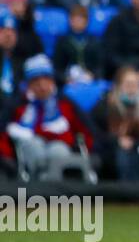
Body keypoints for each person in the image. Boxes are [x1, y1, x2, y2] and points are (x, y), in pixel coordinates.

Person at [1, 54, 96, 182]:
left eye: (46, 79)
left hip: (60, 147)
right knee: (34, 146)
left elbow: (87, 131)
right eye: (36, 81)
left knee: (58, 150)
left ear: (52, 81)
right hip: (29, 150)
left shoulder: (65, 103)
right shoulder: (18, 105)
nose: (42, 85)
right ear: (29, 84)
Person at [89, 66, 139, 180]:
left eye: (136, 85)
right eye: (128, 85)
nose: (132, 89)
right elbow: (93, 132)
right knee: (121, 158)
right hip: (112, 152)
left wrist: (136, 143)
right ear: (118, 86)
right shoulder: (105, 106)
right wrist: (117, 141)